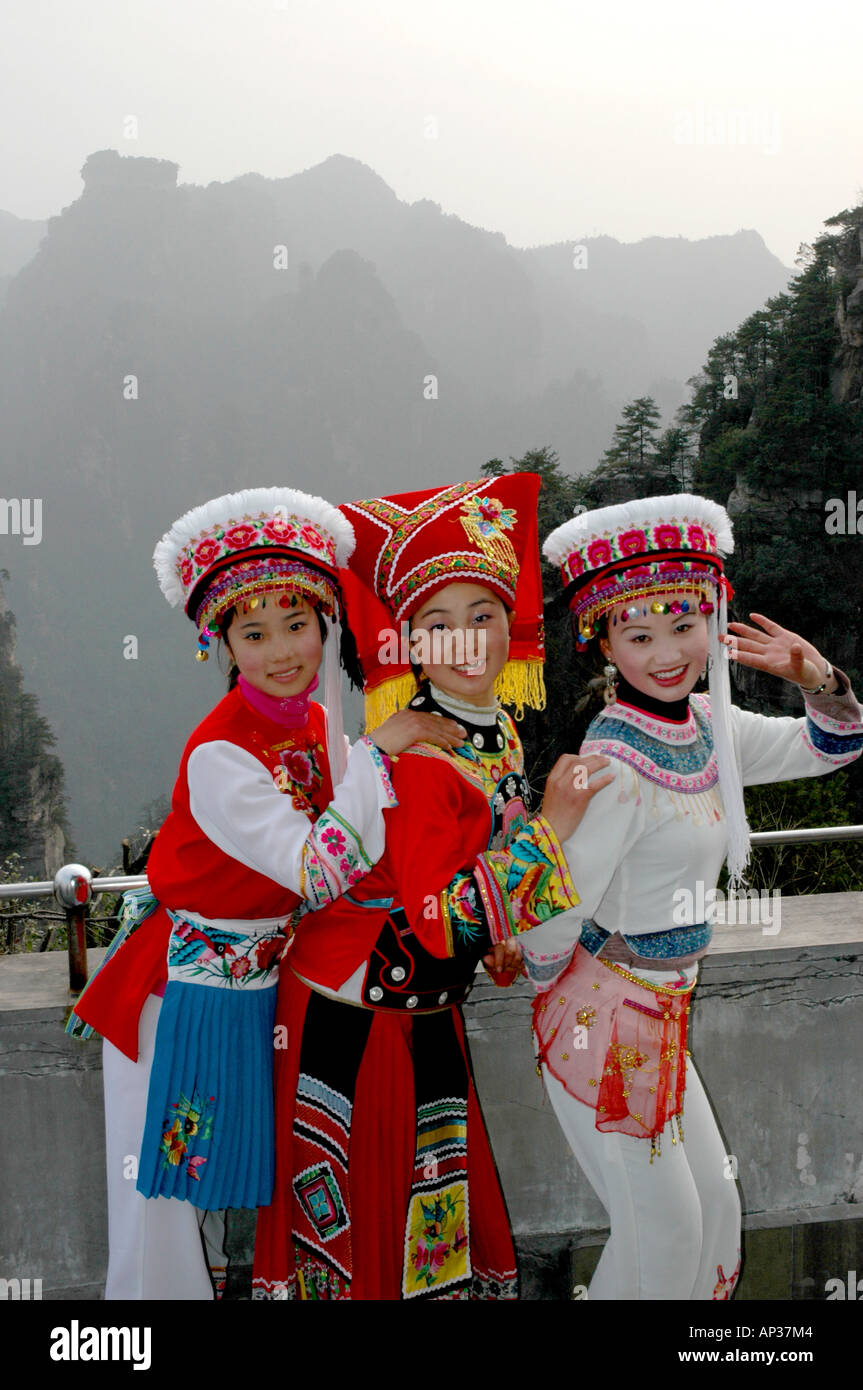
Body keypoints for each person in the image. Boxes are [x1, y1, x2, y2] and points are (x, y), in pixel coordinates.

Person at [70, 486, 465, 1300]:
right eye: (254, 633)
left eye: (298, 624)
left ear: (326, 623)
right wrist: (381, 752)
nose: (282, 650)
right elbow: (318, 870)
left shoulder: (317, 723)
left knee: (207, 1180)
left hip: (257, 985)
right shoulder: (220, 753)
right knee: (165, 1191)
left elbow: (368, 836)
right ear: (224, 644)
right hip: (175, 995)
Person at [252, 473, 611, 1300]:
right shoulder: (417, 760)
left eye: (482, 616)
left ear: (511, 626)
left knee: (425, 1223)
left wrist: (504, 936)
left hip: (418, 1002)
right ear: (408, 641)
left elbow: (473, 879)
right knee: (377, 1233)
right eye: (436, 625)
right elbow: (442, 919)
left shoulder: (497, 731)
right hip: (358, 1014)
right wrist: (553, 828)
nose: (464, 643)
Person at [517, 493, 863, 1300]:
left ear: (711, 619)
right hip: (606, 1019)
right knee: (666, 1238)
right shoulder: (610, 762)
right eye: (637, 635)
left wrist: (817, 676)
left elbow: (832, 745)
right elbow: (550, 921)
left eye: (683, 625)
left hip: (659, 1010)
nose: (666, 652)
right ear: (601, 641)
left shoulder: (711, 725)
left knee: (711, 1220)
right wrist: (561, 1000)